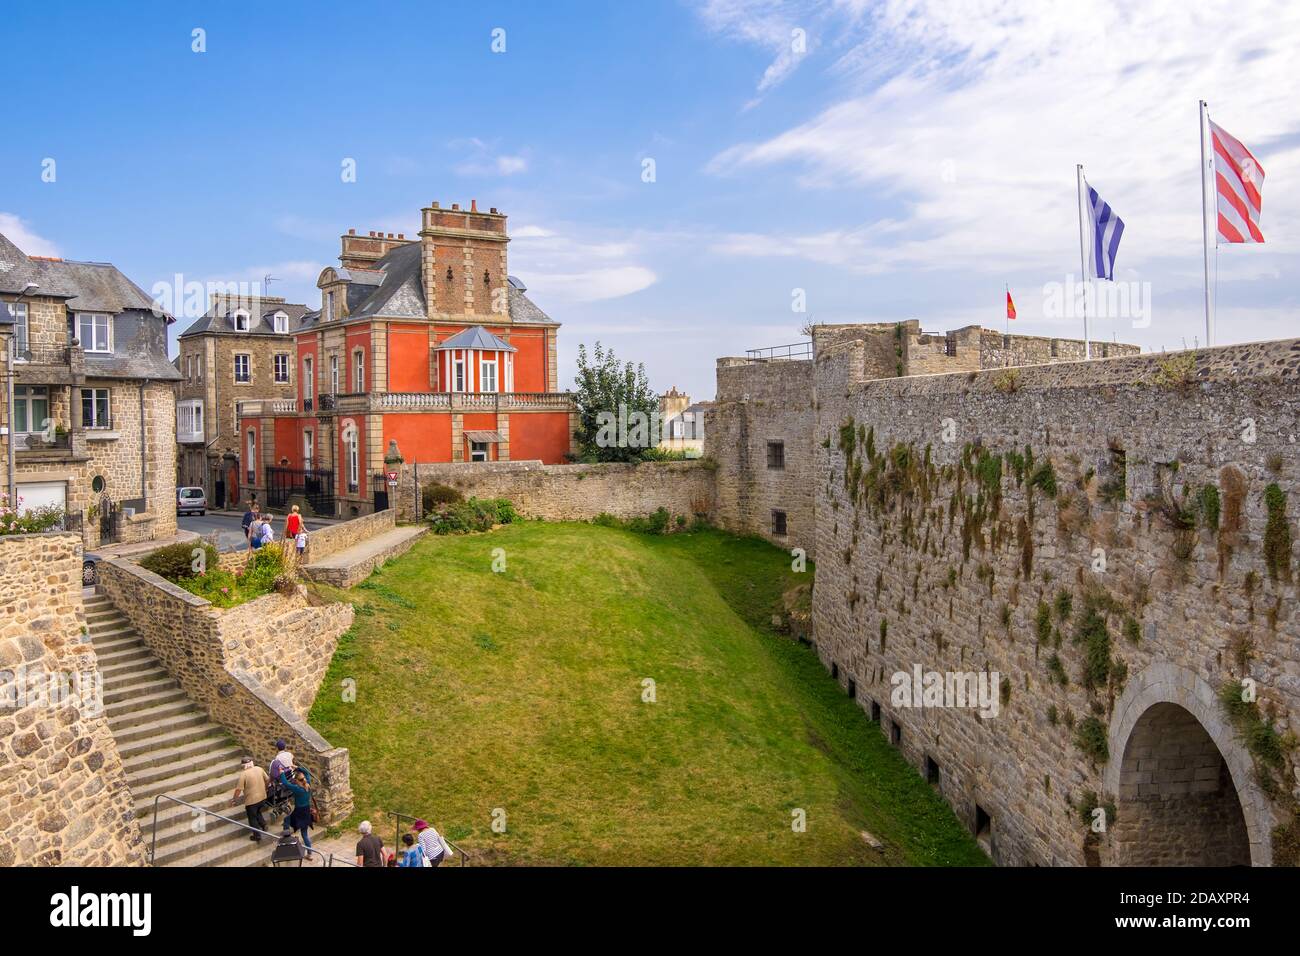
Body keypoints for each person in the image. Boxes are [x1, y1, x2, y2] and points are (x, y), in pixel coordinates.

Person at [232, 757, 269, 841]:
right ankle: (263, 824)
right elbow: (267, 779)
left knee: (252, 818)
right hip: (262, 797)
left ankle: (257, 835)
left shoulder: (244, 774)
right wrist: (265, 788)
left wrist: (234, 799)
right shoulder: (259, 769)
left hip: (252, 800)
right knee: (258, 811)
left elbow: (238, 789)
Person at [279, 766, 315, 849]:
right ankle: (310, 853)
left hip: (299, 812)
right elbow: (306, 772)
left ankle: (286, 839)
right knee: (304, 834)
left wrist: (282, 773)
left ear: (297, 781)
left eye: (296, 780)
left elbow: (285, 783)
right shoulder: (308, 784)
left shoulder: (297, 789)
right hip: (306, 811)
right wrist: (297, 768)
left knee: (286, 820)